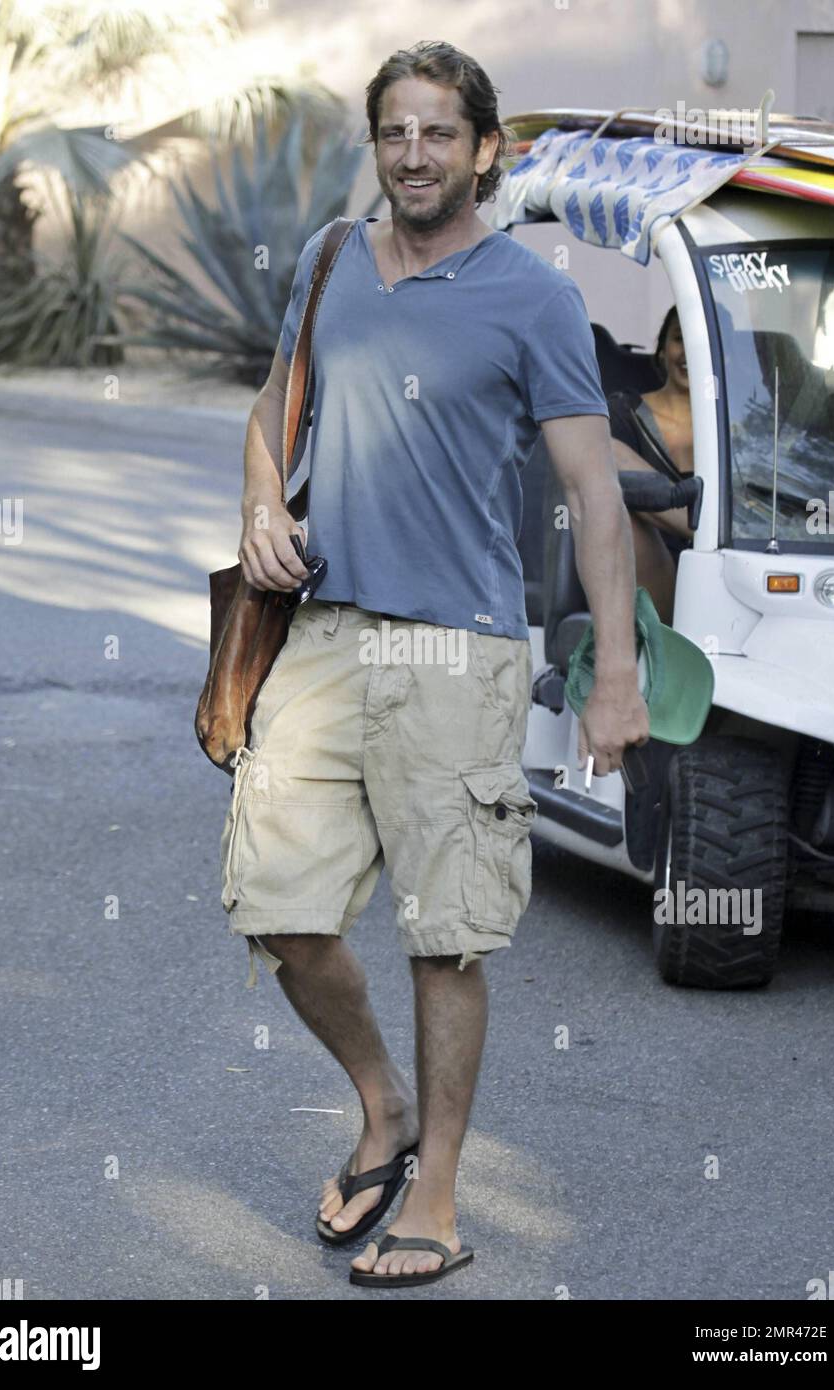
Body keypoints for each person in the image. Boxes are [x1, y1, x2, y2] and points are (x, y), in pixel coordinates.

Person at [222, 39, 648, 1288]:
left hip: (459, 652)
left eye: (437, 134)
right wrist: (259, 504)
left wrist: (611, 674)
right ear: (379, 147)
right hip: (321, 636)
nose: (413, 155)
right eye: (394, 133)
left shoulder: (532, 297)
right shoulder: (328, 262)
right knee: (279, 909)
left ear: (482, 151)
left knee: (445, 935)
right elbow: (267, 412)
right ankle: (382, 1105)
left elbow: (595, 494)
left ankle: (440, 1197)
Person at [608, 306, 694, 622]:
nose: (688, 352)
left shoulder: (740, 424)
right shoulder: (623, 412)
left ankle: (711, 532)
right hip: (652, 574)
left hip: (729, 569)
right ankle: (703, 526)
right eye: (679, 339)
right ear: (662, 350)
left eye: (699, 341)